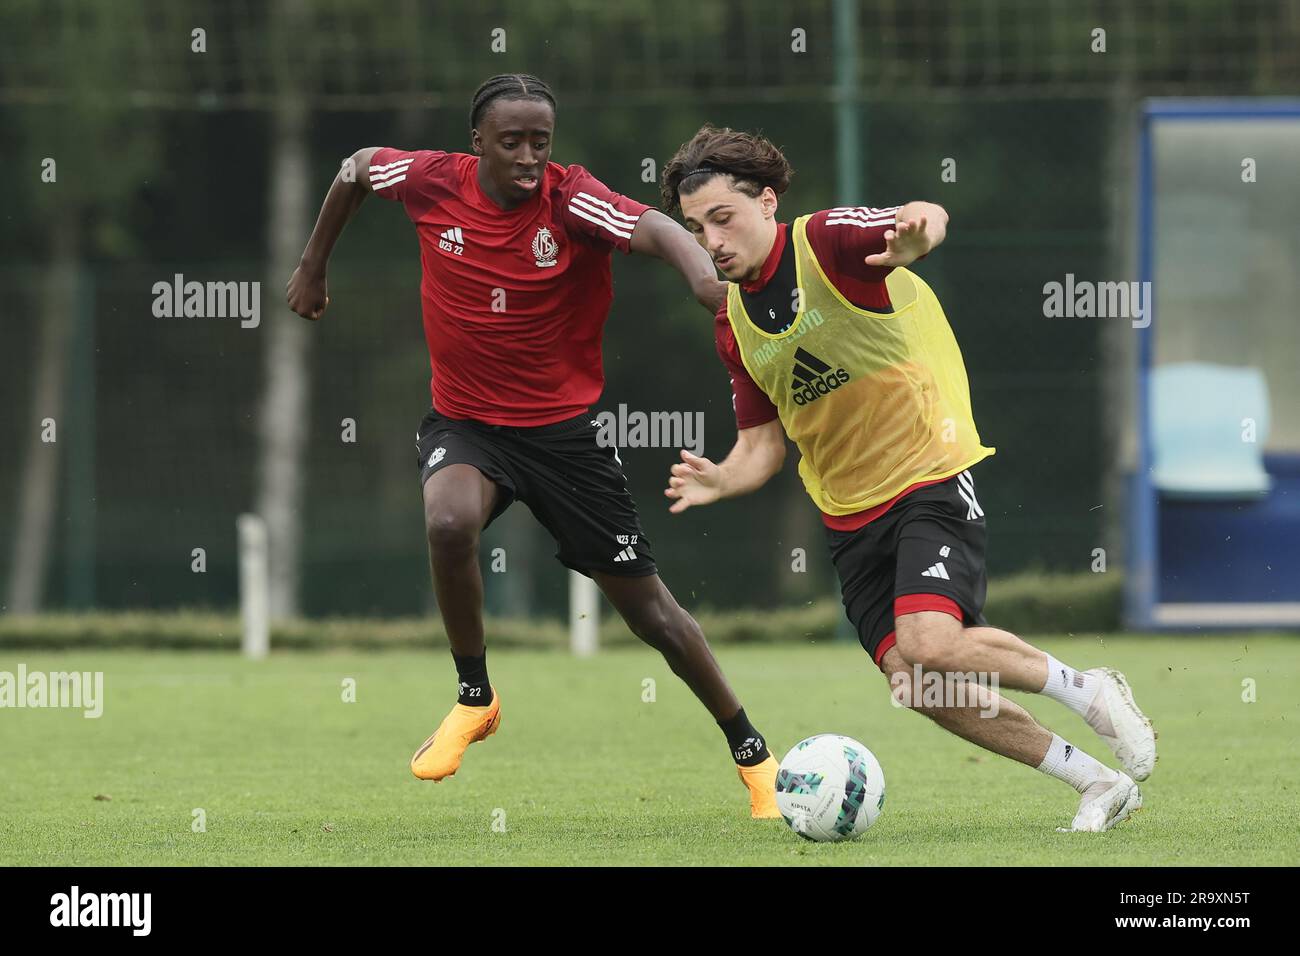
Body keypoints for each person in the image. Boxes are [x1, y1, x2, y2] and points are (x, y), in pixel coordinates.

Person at [285, 77, 783, 818]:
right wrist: (312, 262)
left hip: (565, 443)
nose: (527, 156)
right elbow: (356, 166)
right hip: (467, 426)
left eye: (540, 142)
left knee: (653, 618)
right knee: (447, 522)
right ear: (476, 142)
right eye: (511, 141)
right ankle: (474, 697)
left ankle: (753, 756)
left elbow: (657, 227)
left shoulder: (570, 200)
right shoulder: (429, 180)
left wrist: (701, 277)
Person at [659, 124, 1156, 832]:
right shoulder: (732, 323)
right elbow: (761, 447)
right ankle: (1095, 781)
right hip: (848, 515)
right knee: (917, 683)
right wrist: (722, 479)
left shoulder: (826, 242)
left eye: (722, 218)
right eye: (696, 227)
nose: (711, 240)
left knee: (929, 641)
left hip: (927, 471)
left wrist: (919, 233)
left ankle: (1092, 692)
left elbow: (919, 218)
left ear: (768, 201)